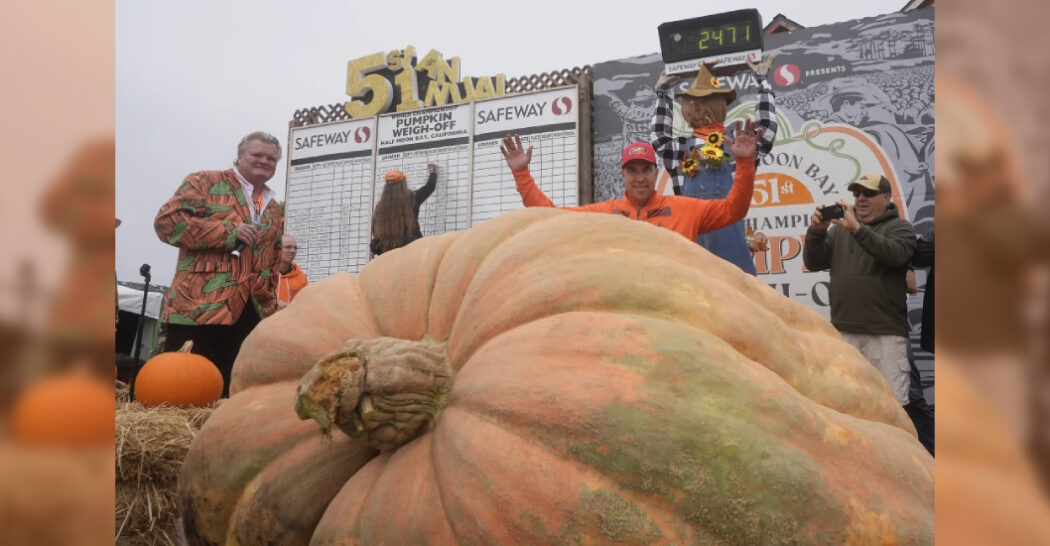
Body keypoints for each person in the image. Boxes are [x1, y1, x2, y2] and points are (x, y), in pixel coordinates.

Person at [154, 131, 284, 397]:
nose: (264, 161)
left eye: (271, 158)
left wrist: (271, 303)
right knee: (184, 392)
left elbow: (274, 256)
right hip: (201, 307)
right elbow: (166, 225)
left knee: (233, 394)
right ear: (239, 156)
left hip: (253, 313)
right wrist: (227, 233)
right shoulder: (204, 181)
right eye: (256, 154)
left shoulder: (273, 207)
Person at [499, 119, 762, 241]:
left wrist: (745, 162)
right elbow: (551, 217)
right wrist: (522, 173)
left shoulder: (687, 210)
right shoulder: (604, 214)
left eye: (645, 170)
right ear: (622, 175)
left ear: (655, 173)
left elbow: (733, 210)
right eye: (632, 171)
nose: (639, 178)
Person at [651, 57, 778, 275]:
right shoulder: (681, 149)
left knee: (738, 301)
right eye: (690, 102)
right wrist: (661, 94)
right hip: (693, 250)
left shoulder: (737, 142)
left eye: (693, 103)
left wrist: (762, 83)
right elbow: (659, 136)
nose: (692, 108)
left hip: (732, 250)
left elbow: (765, 131)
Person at [802, 173, 917, 407]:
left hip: (884, 334)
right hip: (845, 333)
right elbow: (814, 263)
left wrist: (858, 230)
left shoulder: (900, 227)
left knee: (892, 407)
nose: (861, 198)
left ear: (886, 198)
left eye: (869, 193)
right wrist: (816, 231)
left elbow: (895, 255)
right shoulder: (839, 231)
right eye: (857, 194)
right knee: (851, 404)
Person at [370, 162, 437, 257]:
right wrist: (433, 171)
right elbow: (429, 187)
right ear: (403, 184)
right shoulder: (412, 198)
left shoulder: (380, 206)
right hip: (410, 250)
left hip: (386, 251)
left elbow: (374, 229)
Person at [276, 234, 308, 309]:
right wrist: (274, 304)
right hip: (267, 319)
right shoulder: (265, 274)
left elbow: (305, 304)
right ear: (277, 249)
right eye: (288, 247)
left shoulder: (301, 277)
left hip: (291, 319)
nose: (293, 251)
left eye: (295, 248)